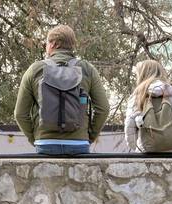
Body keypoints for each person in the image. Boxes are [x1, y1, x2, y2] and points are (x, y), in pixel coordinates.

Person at [13, 24, 110, 157]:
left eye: (46, 43)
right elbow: (103, 109)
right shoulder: (87, 69)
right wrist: (88, 136)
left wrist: (35, 138)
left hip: (45, 144)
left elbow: (20, 114)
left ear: (54, 44)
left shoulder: (35, 70)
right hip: (78, 144)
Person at [123, 58, 172, 155]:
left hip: (147, 151)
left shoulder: (138, 96)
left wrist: (136, 147)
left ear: (141, 74)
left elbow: (129, 125)